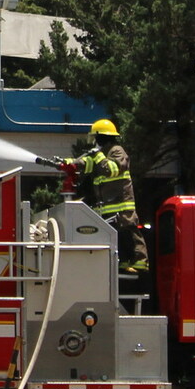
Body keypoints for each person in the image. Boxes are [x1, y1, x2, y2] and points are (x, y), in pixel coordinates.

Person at [79, 118, 153, 277]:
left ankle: (140, 261)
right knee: (120, 235)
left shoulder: (117, 151)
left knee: (129, 230)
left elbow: (112, 169)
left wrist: (97, 155)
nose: (94, 141)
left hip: (122, 204)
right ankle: (125, 261)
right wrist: (66, 163)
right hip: (109, 207)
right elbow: (84, 165)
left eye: (96, 137)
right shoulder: (103, 154)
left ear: (102, 137)